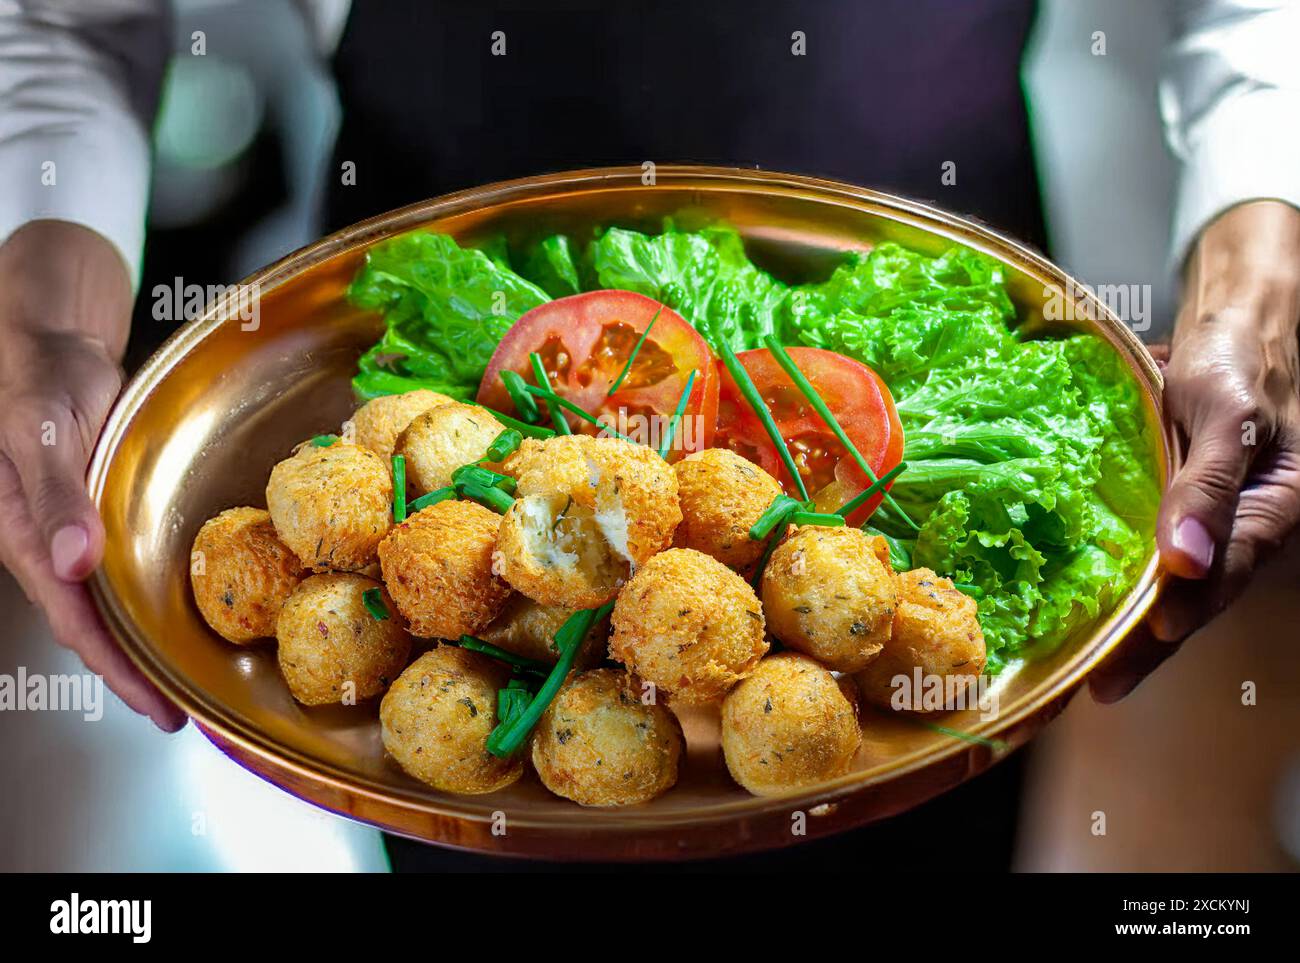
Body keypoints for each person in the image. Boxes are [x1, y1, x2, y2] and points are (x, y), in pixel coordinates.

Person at [1, 1, 1297, 864]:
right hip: (454, 233)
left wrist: (1256, 289)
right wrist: (44, 336)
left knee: (920, 803)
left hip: (907, 253)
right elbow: (66, 20)